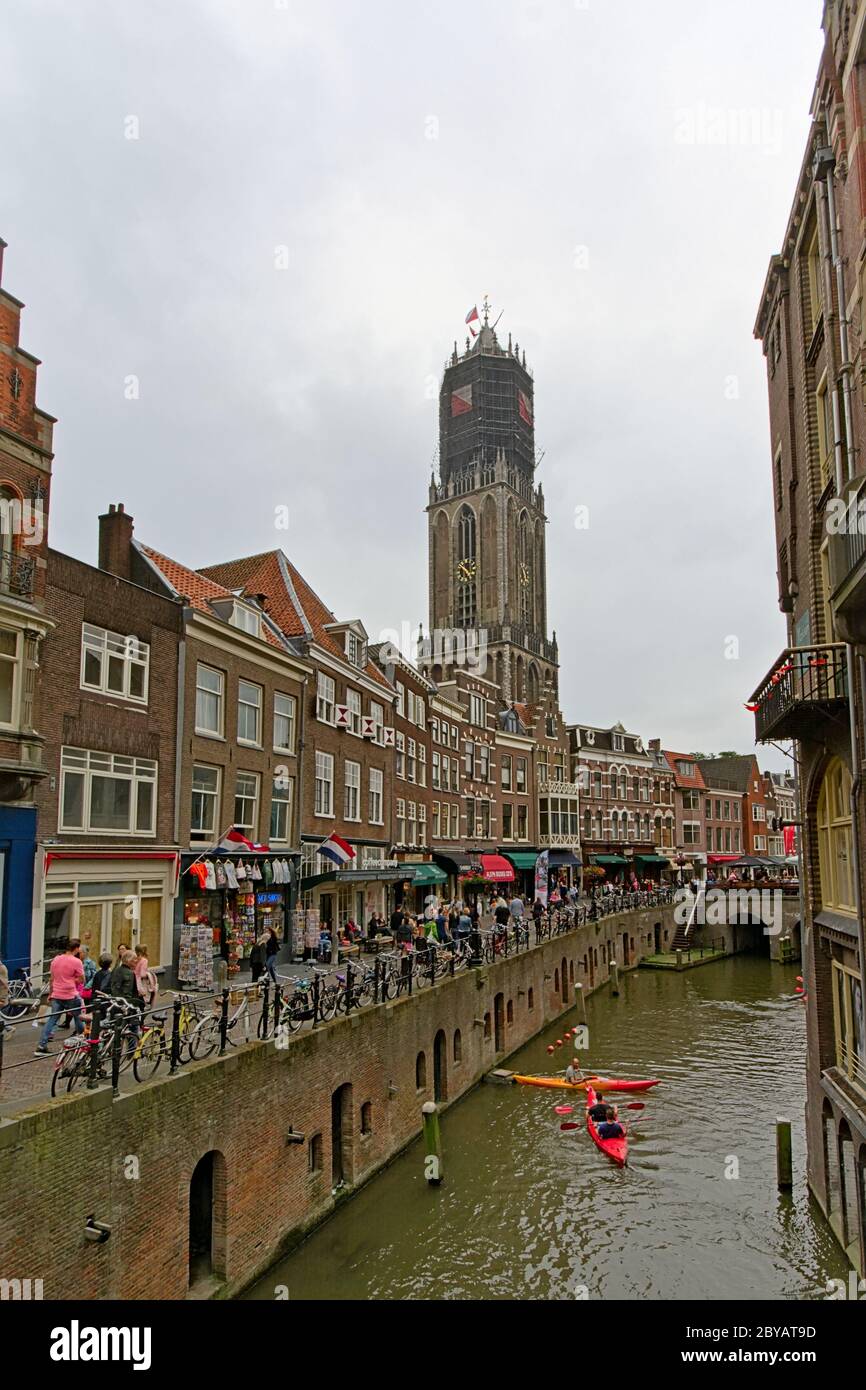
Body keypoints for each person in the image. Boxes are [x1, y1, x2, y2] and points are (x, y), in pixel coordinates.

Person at [35, 939, 85, 1054]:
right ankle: (83, 1042)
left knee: (52, 1019)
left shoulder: (56, 960)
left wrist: (51, 993)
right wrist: (72, 980)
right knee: (79, 1017)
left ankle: (41, 1045)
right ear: (76, 948)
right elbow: (82, 979)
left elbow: (52, 979)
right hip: (70, 994)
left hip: (57, 994)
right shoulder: (76, 961)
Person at [133, 944, 157, 1009]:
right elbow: (142, 974)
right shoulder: (144, 960)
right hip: (140, 981)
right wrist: (148, 974)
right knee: (142, 997)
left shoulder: (134, 959)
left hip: (133, 978)